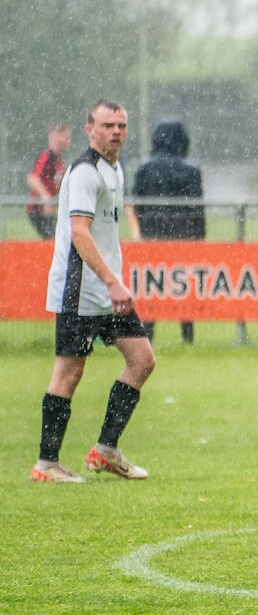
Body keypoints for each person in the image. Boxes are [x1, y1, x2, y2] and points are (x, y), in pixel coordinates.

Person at [32, 99, 155, 483]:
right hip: (79, 290)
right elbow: (80, 233)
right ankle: (46, 465)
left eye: (121, 125)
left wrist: (112, 282)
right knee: (70, 372)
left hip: (105, 292)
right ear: (90, 129)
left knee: (142, 360)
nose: (115, 131)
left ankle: (105, 450)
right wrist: (112, 279)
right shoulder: (85, 171)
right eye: (107, 125)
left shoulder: (115, 169)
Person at [133, 120, 206, 344]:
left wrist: (145, 230)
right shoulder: (191, 171)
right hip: (183, 239)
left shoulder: (144, 169)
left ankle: (147, 335)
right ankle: (187, 337)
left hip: (153, 238)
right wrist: (199, 236)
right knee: (182, 288)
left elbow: (138, 203)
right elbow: (196, 208)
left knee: (152, 288)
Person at [26, 122, 72, 239]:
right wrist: (46, 197)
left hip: (48, 211)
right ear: (56, 136)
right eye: (66, 137)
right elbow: (32, 178)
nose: (68, 141)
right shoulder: (47, 156)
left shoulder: (58, 160)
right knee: (52, 240)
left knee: (55, 239)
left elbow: (55, 185)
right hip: (38, 209)